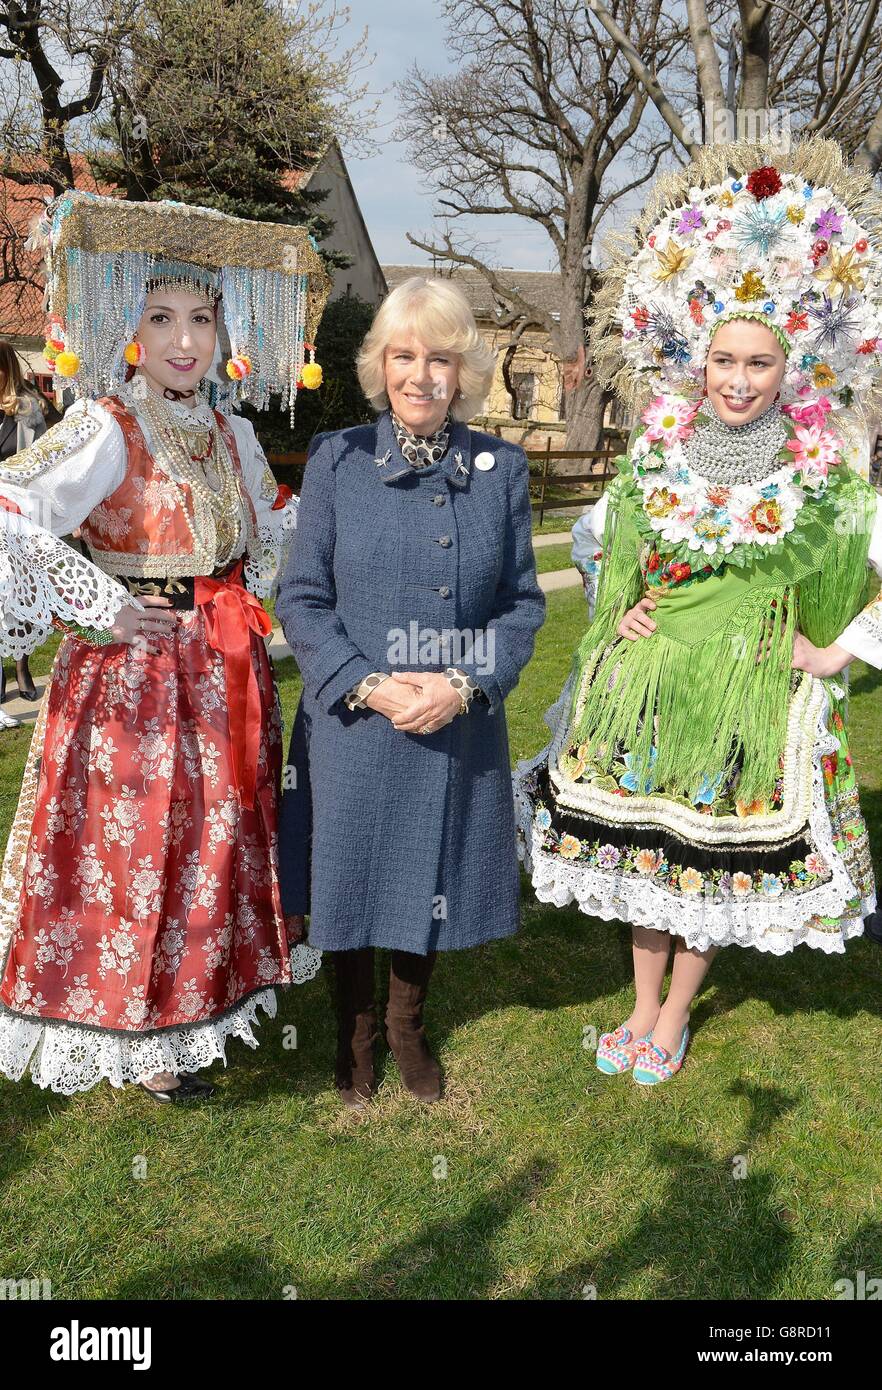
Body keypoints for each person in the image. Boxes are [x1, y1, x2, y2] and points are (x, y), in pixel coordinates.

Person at [514, 137, 882, 1085]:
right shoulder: (655, 457)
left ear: (790, 369)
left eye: (760, 363)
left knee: (707, 859)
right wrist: (616, 609)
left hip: (748, 696)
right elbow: (596, 543)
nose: (738, 379)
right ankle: (640, 1001)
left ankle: (675, 1011)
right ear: (697, 357)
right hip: (649, 686)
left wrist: (839, 652)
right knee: (645, 852)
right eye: (724, 358)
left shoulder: (828, 474)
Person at [0, 190, 328, 1097]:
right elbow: (11, 506)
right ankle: (132, 1030)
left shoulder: (234, 433)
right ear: (129, 330)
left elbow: (275, 534)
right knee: (137, 846)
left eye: (203, 319)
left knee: (213, 841)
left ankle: (198, 1001)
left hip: (225, 672)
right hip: (135, 678)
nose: (186, 341)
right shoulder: (107, 424)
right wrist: (93, 600)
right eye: (161, 319)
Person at [275, 275, 545, 1107]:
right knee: (349, 875)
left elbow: (522, 603)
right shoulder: (339, 459)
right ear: (378, 366)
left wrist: (465, 684)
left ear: (463, 371)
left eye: (439, 358)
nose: (421, 375)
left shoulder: (500, 468)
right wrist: (369, 685)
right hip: (354, 719)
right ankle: (353, 1033)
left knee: (425, 872)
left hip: (451, 718)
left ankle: (405, 1025)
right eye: (403, 356)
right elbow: (302, 598)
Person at [0, 341, 54, 725]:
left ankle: (22, 667)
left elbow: (46, 461)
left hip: (16, 516)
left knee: (19, 595)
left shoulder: (29, 408)